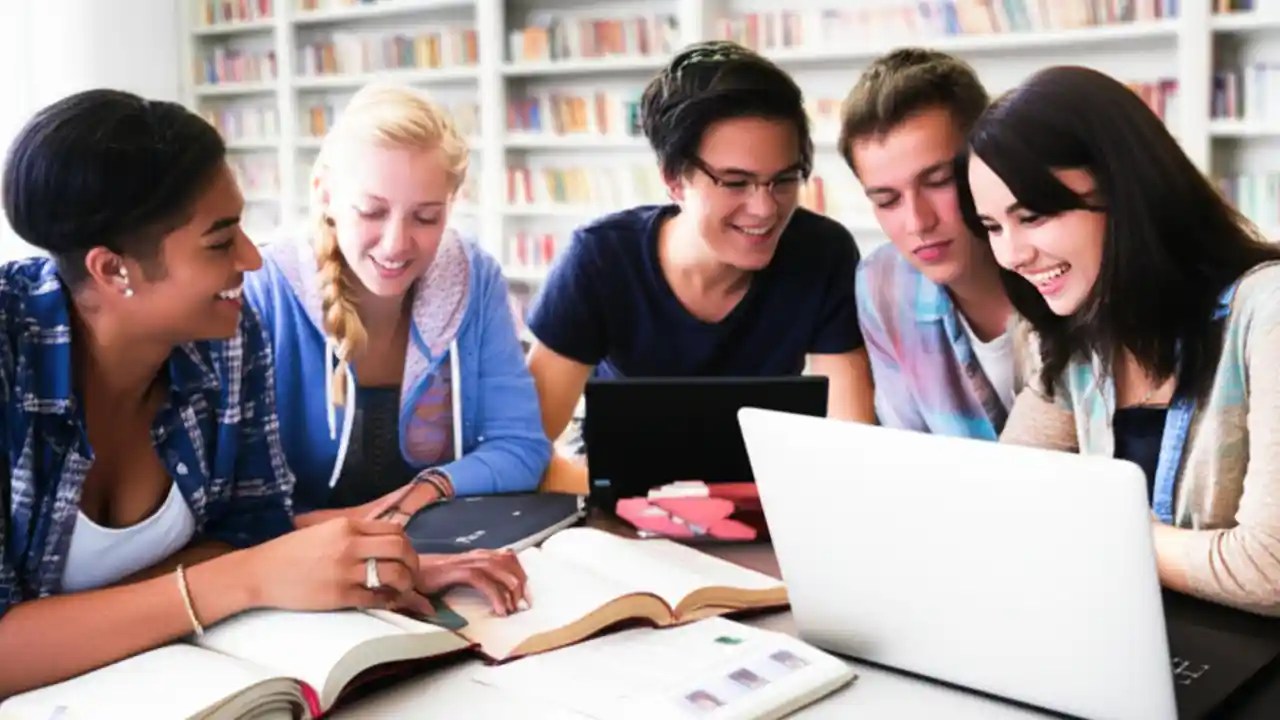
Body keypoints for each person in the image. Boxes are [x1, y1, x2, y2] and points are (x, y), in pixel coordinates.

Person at [0, 89, 438, 697]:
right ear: (112, 269)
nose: (252, 259)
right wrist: (244, 579)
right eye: (219, 241)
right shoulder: (9, 352)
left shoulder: (227, 337)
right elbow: (248, 564)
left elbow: (249, 532)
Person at [965, 66, 1280, 616]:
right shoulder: (1066, 333)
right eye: (992, 227)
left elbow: (1268, 569)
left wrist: (1091, 524)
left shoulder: (1267, 313)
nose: (1012, 255)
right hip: (1139, 637)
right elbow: (1005, 502)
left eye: (1033, 216)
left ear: (1127, 191)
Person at [243, 83, 544, 611]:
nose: (397, 243)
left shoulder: (474, 279)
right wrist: (376, 534)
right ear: (325, 193)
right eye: (372, 211)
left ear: (451, 206)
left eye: (426, 217)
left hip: (435, 565)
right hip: (288, 587)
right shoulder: (262, 290)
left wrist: (414, 498)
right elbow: (237, 509)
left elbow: (521, 447)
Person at [526, 41, 876, 493]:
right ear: (674, 180)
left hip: (766, 503)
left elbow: (848, 442)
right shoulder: (601, 260)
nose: (765, 209)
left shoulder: (823, 253)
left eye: (784, 180)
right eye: (735, 182)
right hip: (619, 499)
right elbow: (522, 448)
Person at [840, 48, 1016, 439]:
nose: (918, 221)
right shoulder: (883, 285)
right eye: (886, 200)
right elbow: (908, 456)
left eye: (938, 182)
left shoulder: (1054, 261)